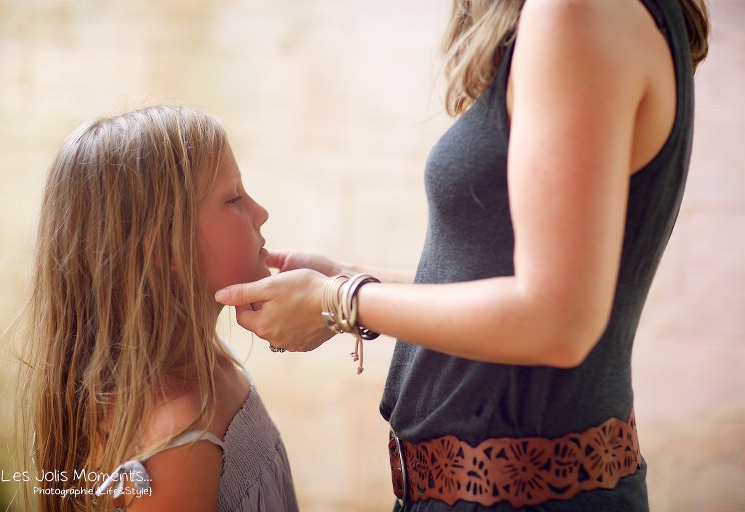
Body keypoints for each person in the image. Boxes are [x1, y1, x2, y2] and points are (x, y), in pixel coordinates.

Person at [214, 0, 710, 510]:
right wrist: (351, 280)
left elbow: (558, 320)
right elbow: (514, 282)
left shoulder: (577, 12)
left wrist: (342, 300)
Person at [12, 105, 298, 512]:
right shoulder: (178, 449)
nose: (260, 212)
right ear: (166, 246)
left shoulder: (211, 360)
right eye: (234, 198)